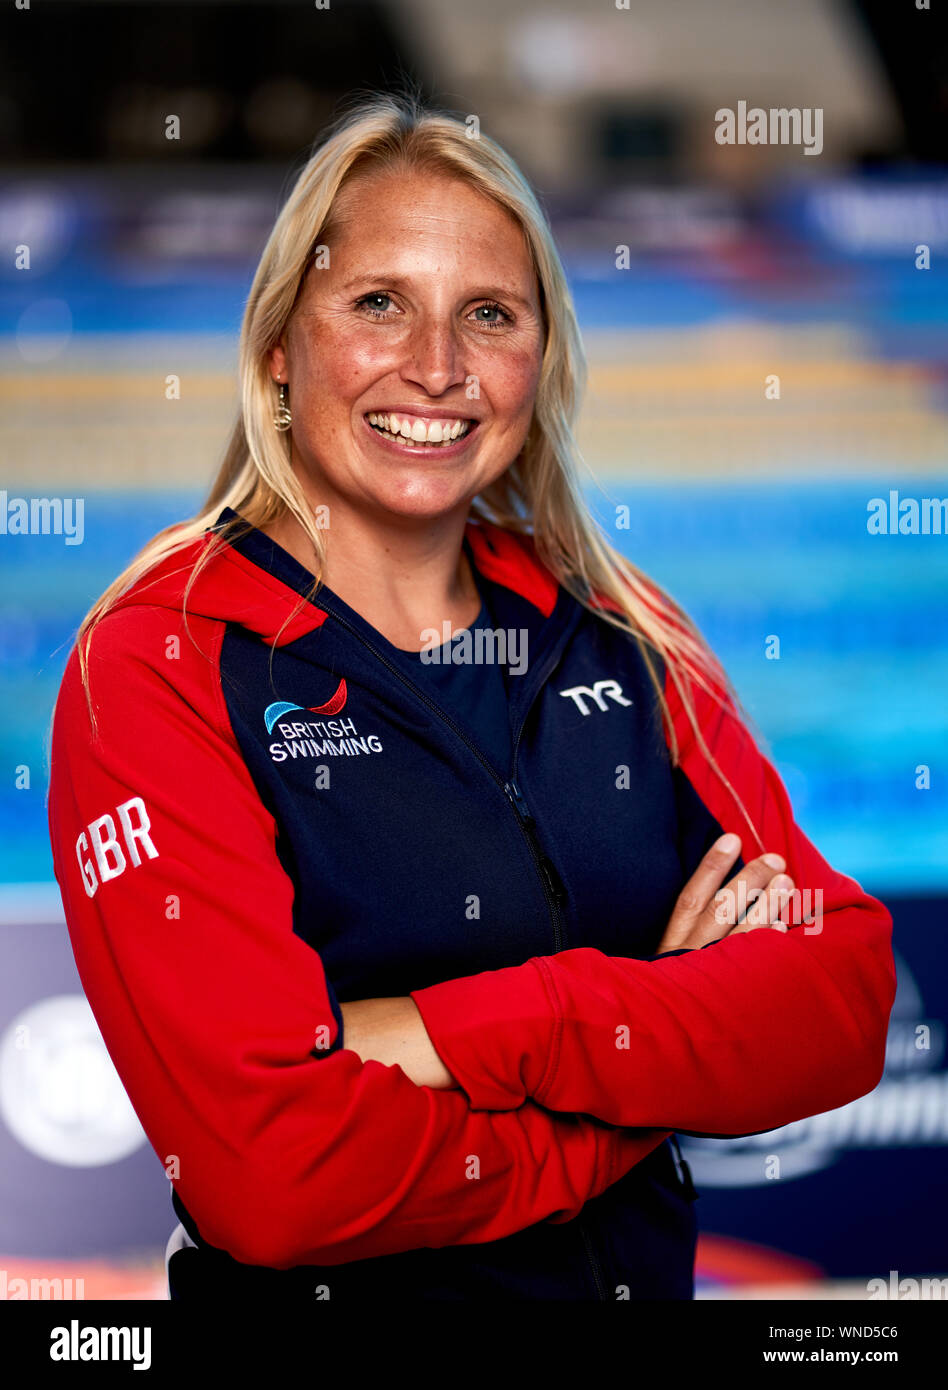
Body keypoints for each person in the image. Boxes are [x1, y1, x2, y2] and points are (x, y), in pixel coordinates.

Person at [46, 90, 896, 1302]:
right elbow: (273, 1178)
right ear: (280, 346)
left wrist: (460, 1031)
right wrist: (651, 1062)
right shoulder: (158, 664)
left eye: (487, 315)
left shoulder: (619, 624)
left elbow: (846, 991)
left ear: (539, 358)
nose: (435, 370)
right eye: (378, 302)